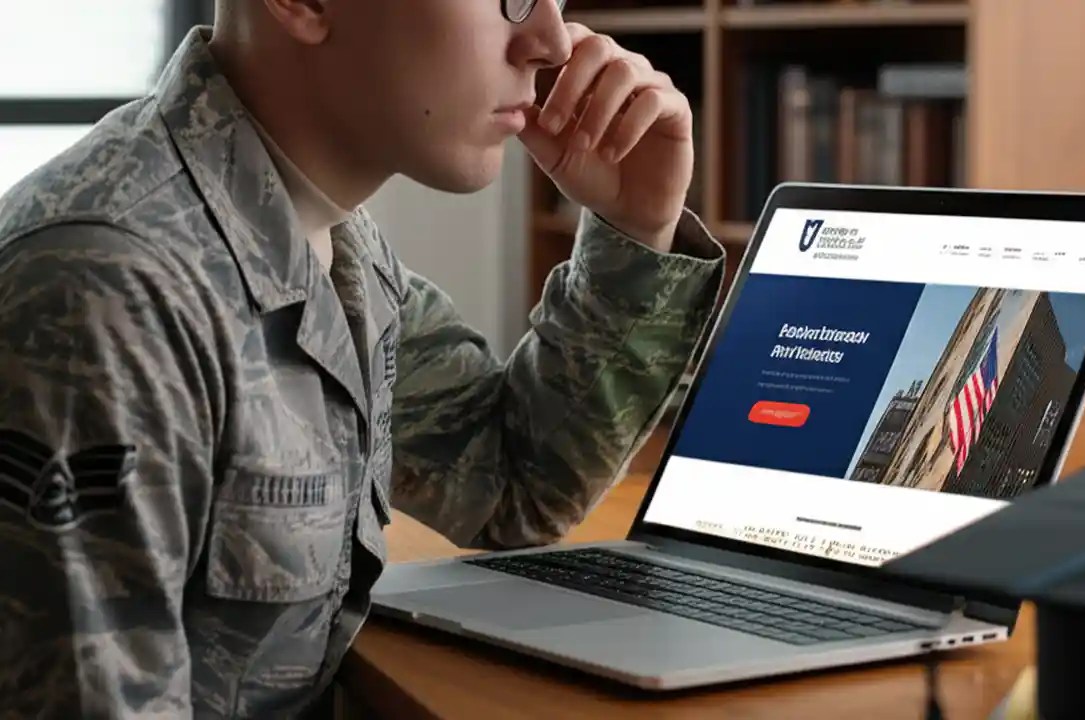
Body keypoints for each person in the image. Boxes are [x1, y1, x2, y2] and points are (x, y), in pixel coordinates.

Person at [0, 0, 725, 715]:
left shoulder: (329, 236)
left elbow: (511, 480)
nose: (552, 43)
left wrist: (635, 225)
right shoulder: (106, 293)